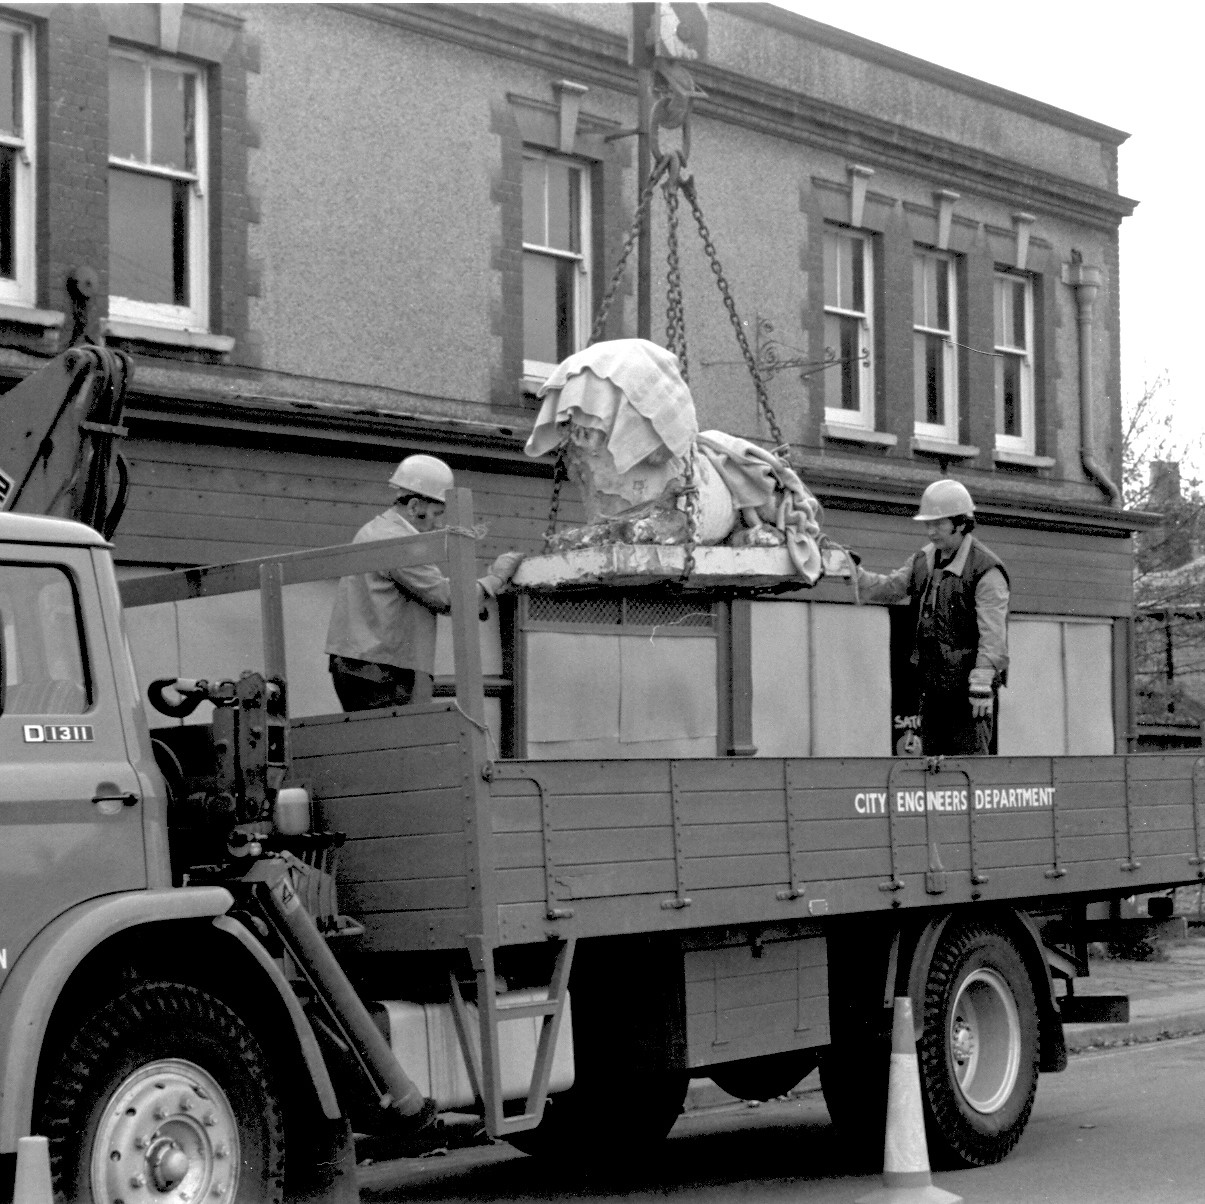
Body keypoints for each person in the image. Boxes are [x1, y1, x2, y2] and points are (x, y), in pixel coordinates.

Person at [325, 454, 523, 712]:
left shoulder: (378, 529)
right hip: (377, 667)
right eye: (436, 513)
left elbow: (431, 590)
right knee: (397, 744)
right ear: (415, 506)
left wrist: (475, 596)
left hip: (362, 662)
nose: (438, 523)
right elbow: (446, 596)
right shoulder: (400, 542)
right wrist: (496, 578)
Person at [855, 479, 1009, 756]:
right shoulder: (925, 560)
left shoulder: (987, 571)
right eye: (928, 524)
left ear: (961, 523)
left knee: (969, 769)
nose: (930, 531)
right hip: (933, 689)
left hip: (969, 694)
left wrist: (982, 682)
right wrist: (854, 575)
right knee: (934, 771)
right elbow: (891, 588)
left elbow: (993, 635)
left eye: (938, 523)